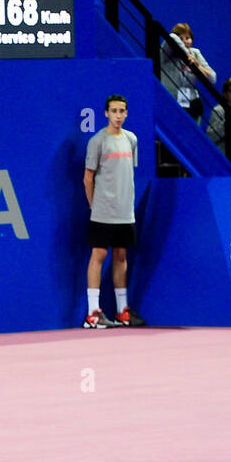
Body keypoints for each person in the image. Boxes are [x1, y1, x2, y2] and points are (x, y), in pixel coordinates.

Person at [82, 95, 146, 329]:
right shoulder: (97, 141)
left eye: (122, 111)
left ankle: (122, 311)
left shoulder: (131, 139)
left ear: (126, 114)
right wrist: (93, 205)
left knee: (121, 257)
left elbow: (127, 175)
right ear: (106, 113)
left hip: (125, 212)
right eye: (114, 111)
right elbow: (88, 178)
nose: (118, 115)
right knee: (98, 256)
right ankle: (92, 313)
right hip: (102, 211)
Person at [159, 22, 215, 124]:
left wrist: (197, 66)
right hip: (171, 103)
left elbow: (212, 78)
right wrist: (186, 55)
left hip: (192, 103)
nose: (185, 41)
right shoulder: (165, 54)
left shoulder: (195, 53)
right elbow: (172, 36)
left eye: (187, 38)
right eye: (181, 38)